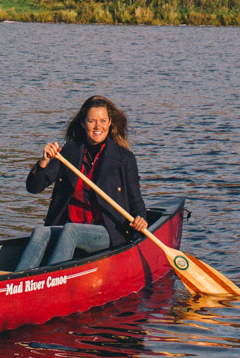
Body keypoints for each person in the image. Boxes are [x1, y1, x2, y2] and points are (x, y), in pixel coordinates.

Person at [14, 94, 149, 274]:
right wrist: (43, 161)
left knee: (72, 231)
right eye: (92, 121)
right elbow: (34, 187)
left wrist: (141, 218)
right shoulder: (69, 152)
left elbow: (136, 201)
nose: (97, 126)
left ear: (110, 123)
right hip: (67, 226)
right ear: (84, 123)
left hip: (106, 231)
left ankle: (50, 279)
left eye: (102, 121)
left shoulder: (124, 158)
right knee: (40, 231)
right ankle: (17, 280)